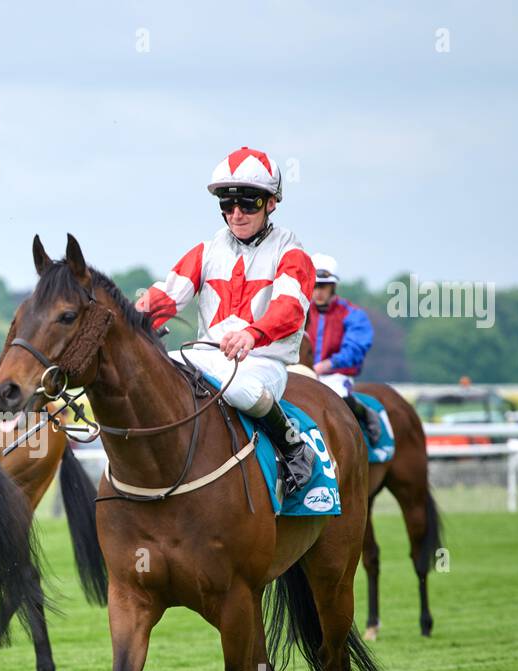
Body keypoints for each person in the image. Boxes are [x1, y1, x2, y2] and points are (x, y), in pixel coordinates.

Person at [136, 146, 316, 495]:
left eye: (248, 203)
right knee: (152, 374)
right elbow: (167, 296)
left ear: (271, 203)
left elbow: (290, 309)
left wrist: (253, 334)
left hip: (264, 361)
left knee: (242, 390)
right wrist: (129, 317)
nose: (236, 214)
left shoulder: (291, 252)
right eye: (227, 204)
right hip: (207, 356)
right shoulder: (207, 250)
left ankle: (294, 448)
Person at [307, 254, 380, 442]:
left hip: (336, 375)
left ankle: (364, 413)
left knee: (338, 395)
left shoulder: (353, 314)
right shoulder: (301, 312)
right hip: (304, 373)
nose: (318, 292)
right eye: (314, 286)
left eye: (323, 287)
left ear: (333, 287)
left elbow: (356, 348)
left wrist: (329, 364)